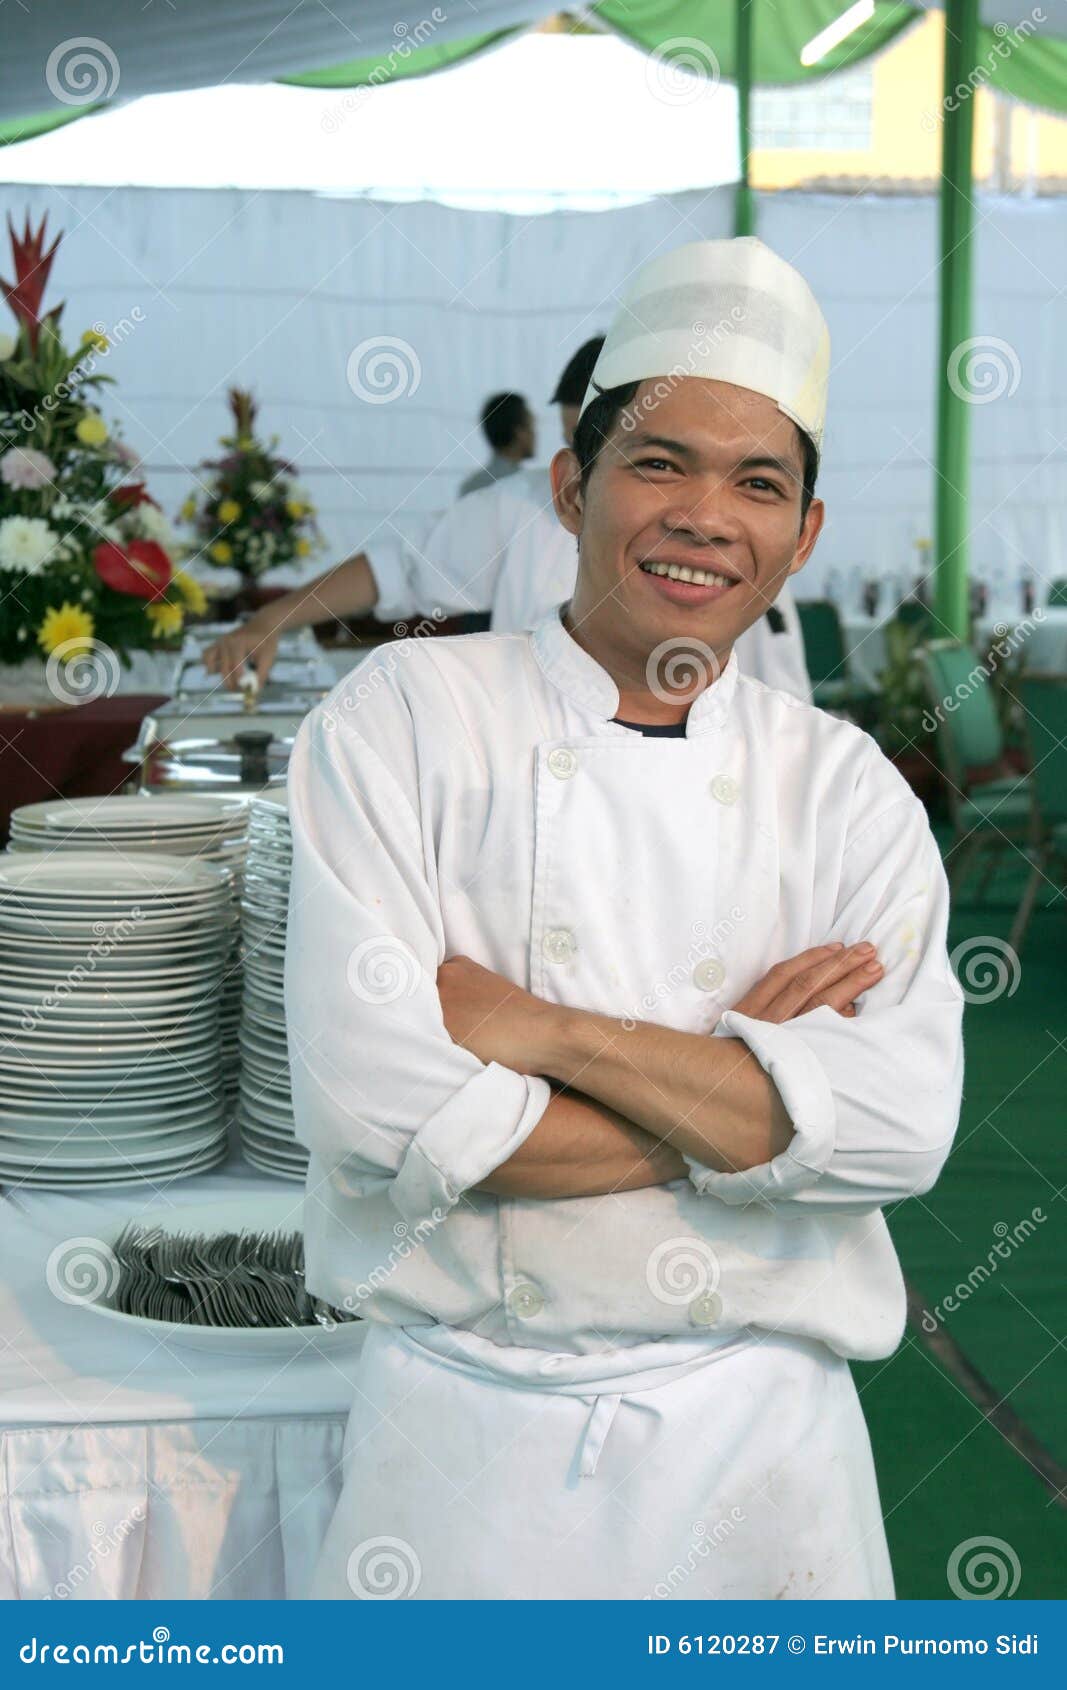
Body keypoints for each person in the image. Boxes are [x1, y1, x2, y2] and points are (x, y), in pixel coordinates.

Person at [285, 236, 964, 1601]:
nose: (704, 513)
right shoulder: (406, 716)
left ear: (801, 535)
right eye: (658, 461)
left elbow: (897, 1128)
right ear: (568, 485)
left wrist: (537, 1031)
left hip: (763, 1452)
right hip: (459, 1447)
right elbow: (375, 1114)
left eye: (756, 482)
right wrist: (753, 1084)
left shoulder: (841, 790)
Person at [201, 338, 812, 701]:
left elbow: (782, 716)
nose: (583, 470)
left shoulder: (728, 554)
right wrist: (270, 620)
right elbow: (395, 572)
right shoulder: (513, 508)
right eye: (572, 442)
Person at [457, 391, 535, 497]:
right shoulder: (530, 486)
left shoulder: (469, 488)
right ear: (519, 432)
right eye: (531, 427)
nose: (535, 435)